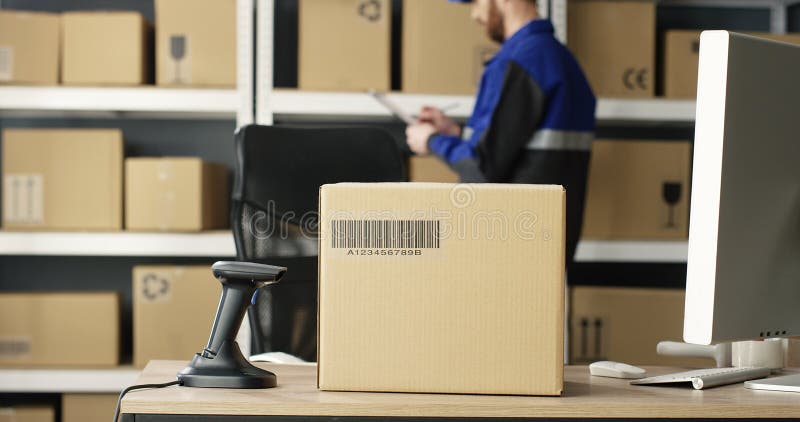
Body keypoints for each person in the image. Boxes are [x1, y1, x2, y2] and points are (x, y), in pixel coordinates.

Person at [405, 0, 596, 267]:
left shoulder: (520, 62)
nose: (473, 14)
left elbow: (482, 167)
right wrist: (455, 132)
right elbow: (517, 146)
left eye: (474, 2)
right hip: (544, 249)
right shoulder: (562, 60)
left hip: (508, 251)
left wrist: (431, 140)